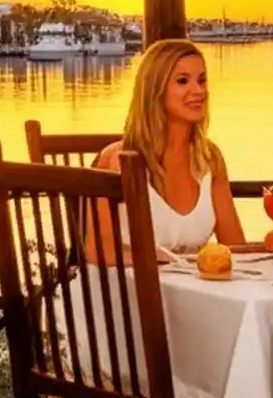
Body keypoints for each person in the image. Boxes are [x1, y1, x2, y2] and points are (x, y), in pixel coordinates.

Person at [88, 38, 246, 262]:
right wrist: (160, 260)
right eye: (183, 81)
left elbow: (234, 247)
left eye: (202, 80)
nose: (198, 90)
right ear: (155, 90)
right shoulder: (117, 160)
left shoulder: (209, 158)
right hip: (123, 293)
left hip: (188, 291)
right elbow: (97, 252)